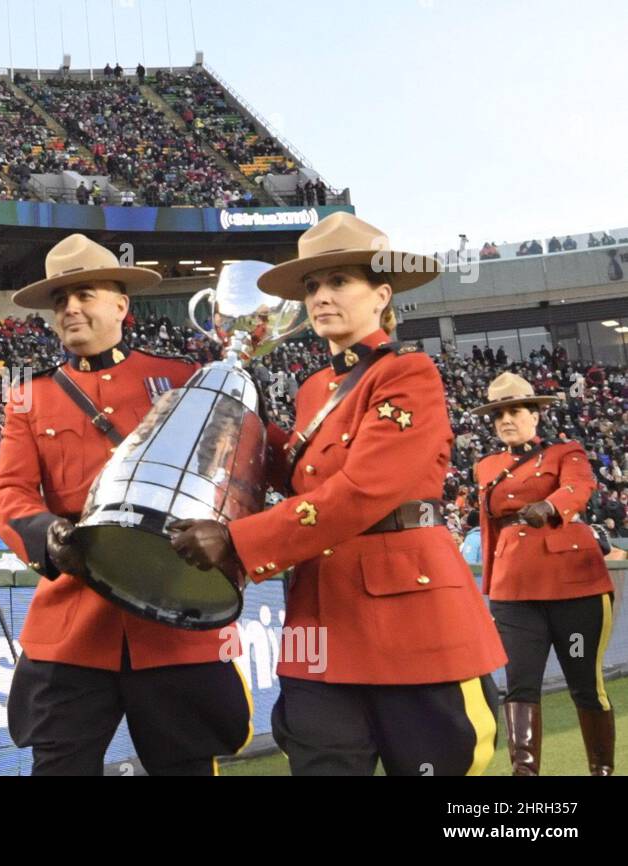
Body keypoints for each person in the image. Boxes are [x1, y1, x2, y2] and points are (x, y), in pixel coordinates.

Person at [170, 213, 506, 775]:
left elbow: (362, 490)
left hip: (408, 617)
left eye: (339, 282)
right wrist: (230, 410)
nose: (321, 296)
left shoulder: (409, 372)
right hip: (320, 621)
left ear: (381, 296)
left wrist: (237, 540)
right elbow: (300, 473)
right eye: (311, 286)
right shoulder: (313, 389)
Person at [0, 233, 250, 776]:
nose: (71, 308)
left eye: (85, 293)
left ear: (121, 305)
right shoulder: (29, 397)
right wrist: (46, 537)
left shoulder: (184, 380)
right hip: (74, 623)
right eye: (60, 300)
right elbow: (5, 491)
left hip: (175, 615)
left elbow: (234, 480)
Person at [470, 372, 616, 776]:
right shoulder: (486, 466)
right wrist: (491, 583)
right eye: (498, 414)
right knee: (519, 685)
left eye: (514, 410)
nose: (506, 420)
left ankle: (601, 771)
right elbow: (490, 529)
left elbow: (578, 488)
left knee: (586, 686)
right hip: (514, 591)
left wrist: (550, 508)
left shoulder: (566, 452)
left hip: (574, 586)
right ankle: (525, 773)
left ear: (535, 413)